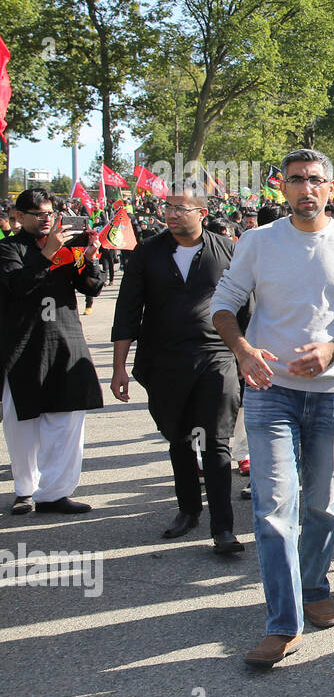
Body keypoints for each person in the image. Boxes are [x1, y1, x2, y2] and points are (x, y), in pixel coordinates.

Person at [210, 148, 334, 669]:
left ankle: (314, 585)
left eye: (315, 180)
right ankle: (282, 624)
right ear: (281, 188)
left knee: (320, 506)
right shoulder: (258, 242)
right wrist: (243, 351)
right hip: (270, 393)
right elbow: (224, 303)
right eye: (295, 181)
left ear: (332, 188)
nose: (305, 189)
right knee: (273, 511)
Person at [110, 183, 245, 552]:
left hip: (217, 355)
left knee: (217, 442)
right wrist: (119, 367)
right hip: (164, 359)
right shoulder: (147, 254)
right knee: (178, 437)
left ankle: (224, 528)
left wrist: (248, 355)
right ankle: (188, 510)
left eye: (180, 208)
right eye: (168, 208)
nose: (171, 214)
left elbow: (248, 307)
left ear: (201, 212)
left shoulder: (228, 251)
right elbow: (127, 310)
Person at [1, 188, 105, 515]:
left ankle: (55, 493)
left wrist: (89, 261)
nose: (47, 220)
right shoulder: (8, 249)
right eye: (39, 215)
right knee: (22, 425)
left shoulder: (67, 247)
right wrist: (47, 253)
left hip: (64, 340)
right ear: (19, 217)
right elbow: (17, 286)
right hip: (22, 347)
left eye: (50, 213)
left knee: (67, 420)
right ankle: (24, 489)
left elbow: (91, 287)